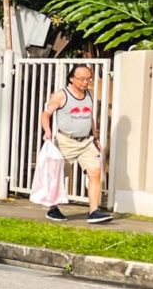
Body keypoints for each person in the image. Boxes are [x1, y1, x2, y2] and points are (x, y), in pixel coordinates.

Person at [39, 64, 110, 223]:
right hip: (66, 142)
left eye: (88, 79)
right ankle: (53, 208)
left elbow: (89, 117)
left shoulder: (89, 95)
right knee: (58, 175)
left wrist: (96, 137)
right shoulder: (61, 95)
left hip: (86, 142)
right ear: (72, 79)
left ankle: (94, 211)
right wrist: (47, 130)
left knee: (95, 171)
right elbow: (46, 114)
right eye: (82, 79)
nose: (85, 82)